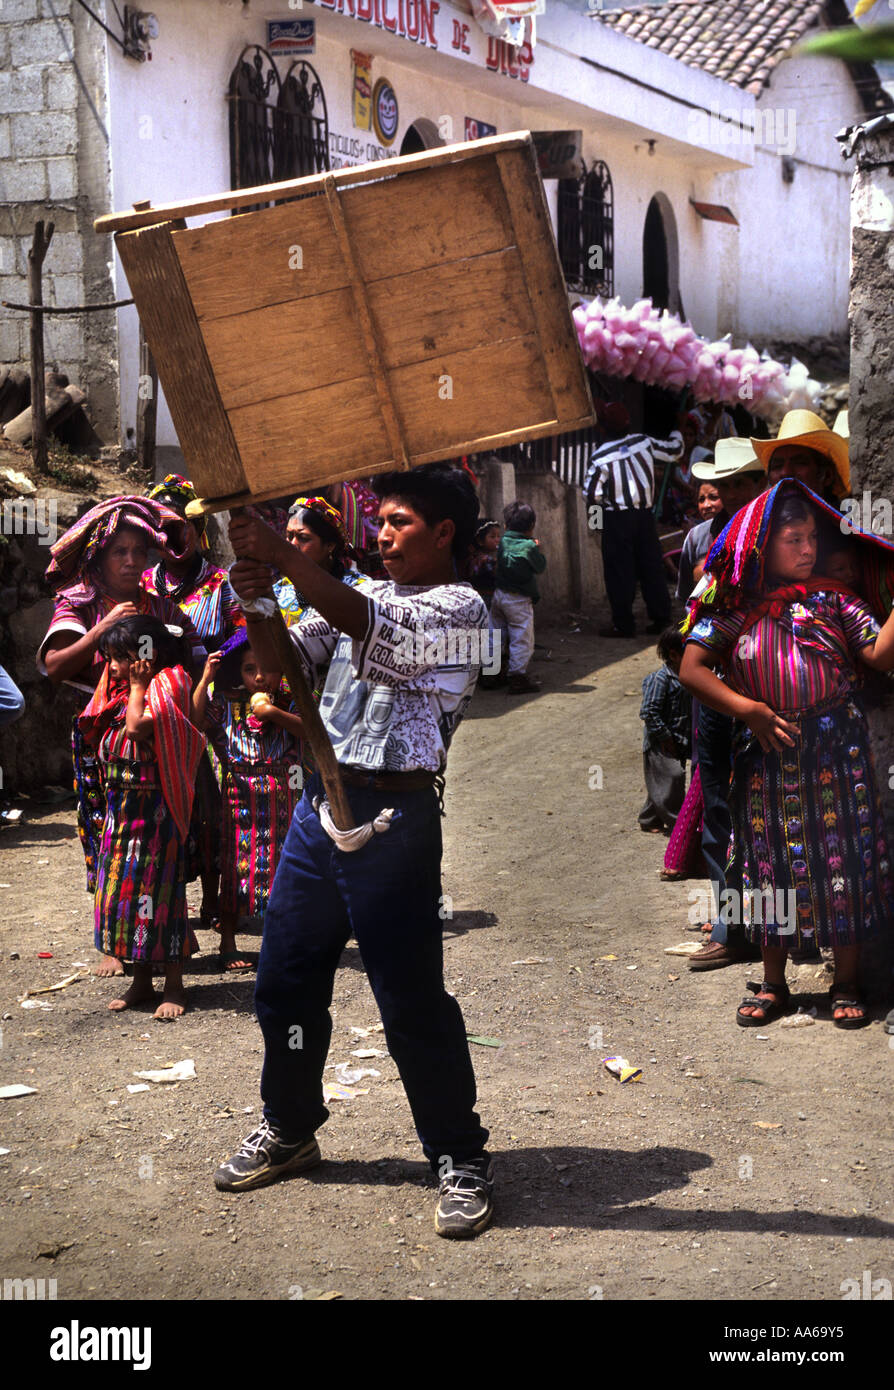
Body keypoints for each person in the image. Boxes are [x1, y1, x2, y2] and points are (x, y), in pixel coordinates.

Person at [213, 464, 493, 1239]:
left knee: (410, 1000)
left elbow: (375, 634)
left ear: (443, 534)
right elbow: (278, 664)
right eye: (381, 522)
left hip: (395, 820)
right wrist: (258, 596)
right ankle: (290, 1126)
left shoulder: (462, 611)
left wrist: (285, 555)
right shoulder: (351, 599)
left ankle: (460, 1156)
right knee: (285, 982)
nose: (384, 533)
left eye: (400, 522)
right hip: (316, 815)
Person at [680, 480, 894, 1027]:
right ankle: (774, 983)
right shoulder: (732, 607)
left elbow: (880, 655)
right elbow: (692, 668)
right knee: (769, 866)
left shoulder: (835, 600)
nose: (806, 550)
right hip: (767, 754)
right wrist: (747, 710)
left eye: (810, 540)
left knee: (842, 858)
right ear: (762, 548)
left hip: (835, 749)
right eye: (792, 540)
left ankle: (844, 979)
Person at [38, 498, 205, 977]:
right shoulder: (79, 603)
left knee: (160, 834)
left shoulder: (162, 605)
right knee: (105, 829)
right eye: (120, 553)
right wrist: (102, 631)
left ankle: (159, 935)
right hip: (103, 737)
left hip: (155, 729)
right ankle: (115, 938)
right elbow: (54, 667)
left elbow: (188, 657)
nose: (133, 562)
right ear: (97, 556)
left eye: (139, 552)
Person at [79, 615, 204, 1020]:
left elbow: (136, 729)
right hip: (123, 812)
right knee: (127, 897)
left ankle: (174, 985)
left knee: (160, 895)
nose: (113, 667)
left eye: (121, 657)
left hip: (156, 815)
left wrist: (136, 686)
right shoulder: (118, 689)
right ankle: (140, 981)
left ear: (148, 652)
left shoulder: (170, 683)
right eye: (110, 658)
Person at [143, 474, 245, 932]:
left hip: (214, 709)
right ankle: (168, 902)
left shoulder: (221, 583)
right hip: (159, 706)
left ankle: (216, 900)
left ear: (198, 529)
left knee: (213, 801)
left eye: (182, 525)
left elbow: (246, 629)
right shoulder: (144, 584)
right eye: (163, 527)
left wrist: (219, 653)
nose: (173, 535)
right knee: (162, 799)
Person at [191, 633, 303, 971]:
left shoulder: (294, 699)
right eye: (249, 669)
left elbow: (313, 730)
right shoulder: (224, 701)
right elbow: (195, 722)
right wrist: (205, 680)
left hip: (283, 796)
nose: (258, 677)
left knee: (284, 867)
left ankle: (283, 940)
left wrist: (272, 712)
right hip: (238, 796)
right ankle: (228, 940)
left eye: (266, 668)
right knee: (234, 865)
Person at [583, 402, 679, 638]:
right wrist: (678, 428)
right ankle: (661, 618)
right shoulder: (643, 441)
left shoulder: (600, 458)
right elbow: (674, 450)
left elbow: (592, 495)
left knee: (619, 571)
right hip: (645, 517)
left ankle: (623, 624)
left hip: (617, 520)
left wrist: (597, 527)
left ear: (602, 429)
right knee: (651, 566)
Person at [638, 627, 691, 834]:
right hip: (660, 742)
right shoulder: (661, 679)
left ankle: (649, 818)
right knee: (673, 777)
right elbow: (649, 712)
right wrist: (665, 737)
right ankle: (677, 822)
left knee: (663, 781)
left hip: (679, 739)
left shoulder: (687, 676)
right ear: (674, 655)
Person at [490, 501, 546, 695]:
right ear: (531, 526)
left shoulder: (503, 541)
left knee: (495, 634)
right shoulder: (529, 546)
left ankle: (490, 673)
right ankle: (518, 677)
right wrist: (537, 548)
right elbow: (540, 567)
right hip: (518, 600)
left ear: (506, 526)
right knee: (521, 638)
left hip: (498, 596)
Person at [751, 409, 850, 505]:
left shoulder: (846, 521)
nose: (786, 472)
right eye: (777, 466)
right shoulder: (760, 521)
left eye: (799, 463)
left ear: (827, 476)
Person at [469, 518, 500, 608]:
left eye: (498, 536)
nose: (497, 540)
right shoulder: (485, 560)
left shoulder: (477, 557)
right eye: (493, 536)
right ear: (480, 541)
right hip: (485, 599)